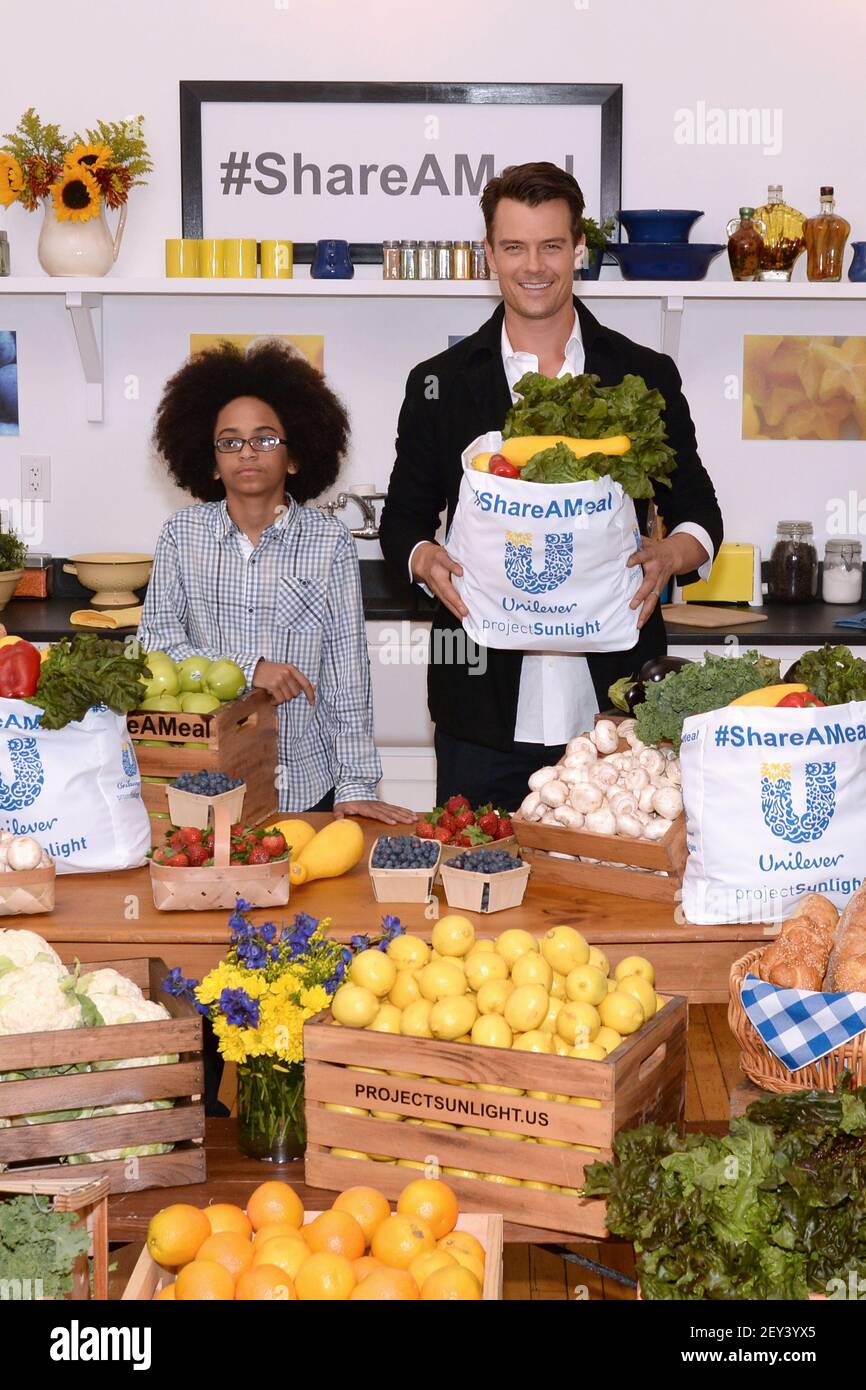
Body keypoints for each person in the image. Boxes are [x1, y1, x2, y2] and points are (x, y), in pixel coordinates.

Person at [379, 162, 723, 812]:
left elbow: (700, 512)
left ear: (579, 251)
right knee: (474, 879)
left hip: (618, 703)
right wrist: (424, 559)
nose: (532, 265)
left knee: (611, 890)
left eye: (550, 245)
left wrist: (672, 555)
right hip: (477, 705)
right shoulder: (443, 384)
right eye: (513, 246)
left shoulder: (643, 375)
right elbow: (402, 522)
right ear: (489, 254)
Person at [138, 337, 413, 1113]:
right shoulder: (183, 538)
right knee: (207, 941)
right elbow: (151, 645)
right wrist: (249, 664)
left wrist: (359, 789)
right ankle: (200, 1100)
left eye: (264, 438)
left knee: (292, 939)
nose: (247, 453)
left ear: (296, 454)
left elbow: (349, 671)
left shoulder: (326, 542)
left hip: (304, 777)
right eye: (230, 441)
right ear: (208, 455)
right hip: (208, 784)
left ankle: (287, 1096)